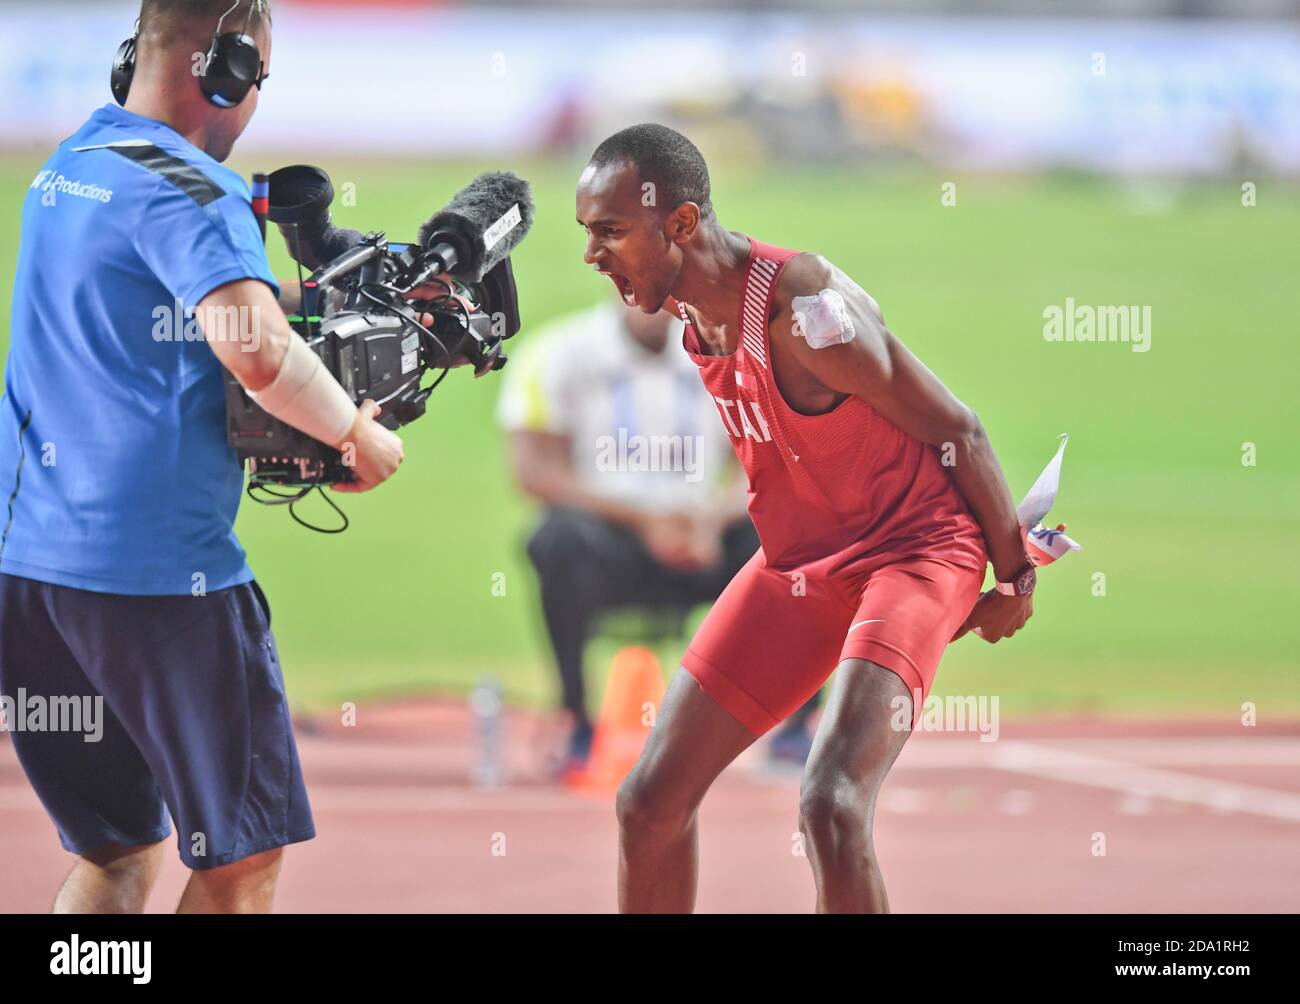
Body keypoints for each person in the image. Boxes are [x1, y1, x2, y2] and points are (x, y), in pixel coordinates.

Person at [0, 0, 404, 914]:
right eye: (257, 76)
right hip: (157, 579)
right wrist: (356, 433)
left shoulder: (68, 168)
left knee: (117, 852)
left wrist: (298, 292)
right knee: (238, 862)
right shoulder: (195, 188)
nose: (255, 98)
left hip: (29, 573)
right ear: (218, 69)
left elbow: (154, 304)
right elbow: (256, 350)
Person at [575, 123, 1038, 913]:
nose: (593, 255)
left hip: (913, 553)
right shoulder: (693, 317)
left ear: (681, 224)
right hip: (802, 566)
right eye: (588, 234)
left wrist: (1014, 575)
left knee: (830, 802)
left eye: (610, 231)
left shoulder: (806, 314)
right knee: (647, 803)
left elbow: (958, 429)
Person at [497, 297, 757, 773]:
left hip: (703, 538)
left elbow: (768, 463)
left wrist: (712, 521)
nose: (655, 307)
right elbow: (534, 473)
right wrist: (644, 521)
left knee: (788, 532)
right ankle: (576, 716)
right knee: (558, 537)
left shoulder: (730, 353)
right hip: (608, 542)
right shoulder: (559, 351)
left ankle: (796, 724)